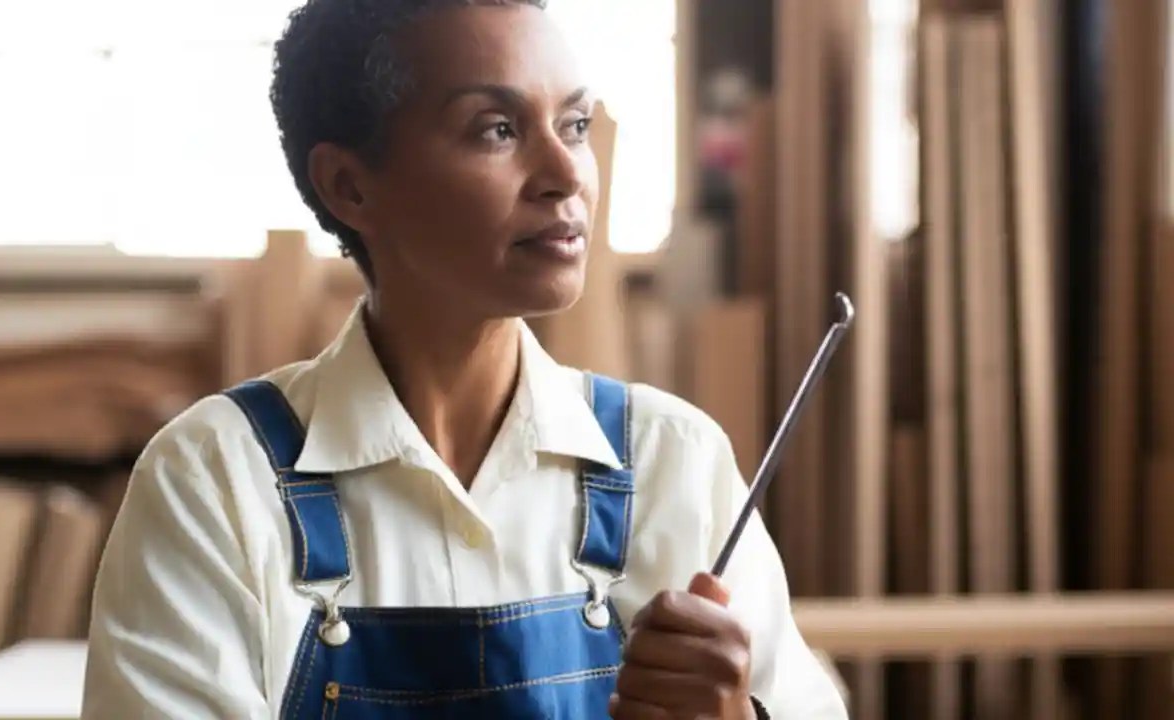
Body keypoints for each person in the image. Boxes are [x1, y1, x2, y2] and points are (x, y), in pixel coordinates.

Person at [81, 1, 848, 718]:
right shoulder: (215, 481)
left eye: (575, 124)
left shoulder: (671, 462)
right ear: (348, 185)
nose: (565, 174)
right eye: (495, 130)